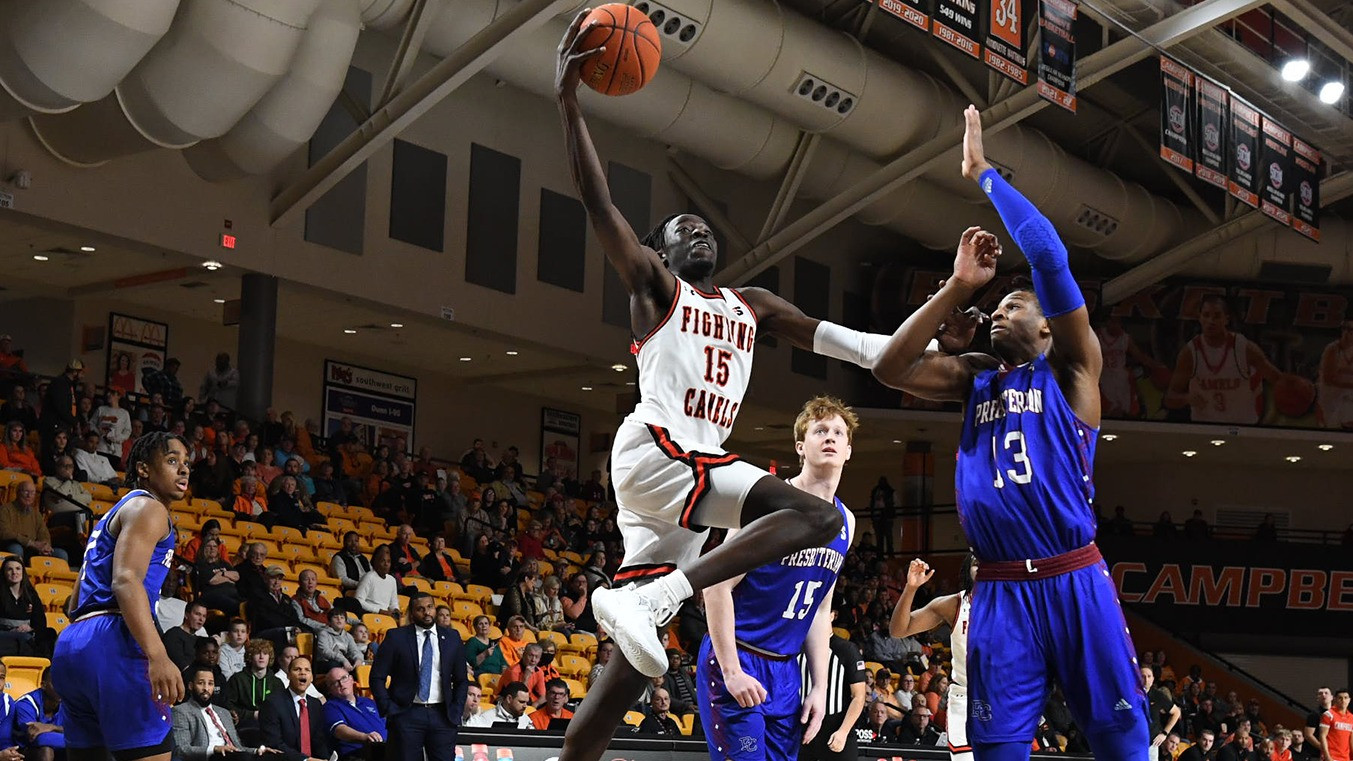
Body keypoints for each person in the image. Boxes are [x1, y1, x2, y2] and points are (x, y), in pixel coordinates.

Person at [552, 15, 932, 755]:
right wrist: (569, 102)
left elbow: (853, 345)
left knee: (632, 662)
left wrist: (927, 324)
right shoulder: (657, 291)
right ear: (661, 252)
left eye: (704, 227)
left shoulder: (751, 305)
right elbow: (600, 207)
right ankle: (665, 593)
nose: (697, 233)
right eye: (681, 228)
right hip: (658, 451)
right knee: (819, 519)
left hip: (685, 487)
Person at [870, 106, 1147, 761]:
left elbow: (1047, 251)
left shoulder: (1074, 365)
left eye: (1010, 304)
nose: (997, 310)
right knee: (995, 752)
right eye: (992, 305)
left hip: (1072, 576)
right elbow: (889, 368)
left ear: (1047, 325)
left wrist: (982, 174)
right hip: (997, 591)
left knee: (1121, 743)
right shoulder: (974, 378)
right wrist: (953, 290)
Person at [697, 396, 858, 761]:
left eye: (837, 432)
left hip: (786, 671)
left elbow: (819, 612)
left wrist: (819, 685)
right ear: (801, 446)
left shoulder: (846, 520)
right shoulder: (770, 506)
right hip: (740, 658)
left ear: (849, 450)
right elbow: (715, 583)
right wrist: (732, 671)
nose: (829, 437)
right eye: (820, 431)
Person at [50, 431, 190, 761]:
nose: (183, 470)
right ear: (143, 468)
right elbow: (126, 581)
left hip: (74, 643)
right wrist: (157, 654)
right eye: (172, 461)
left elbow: (73, 602)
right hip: (114, 639)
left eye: (186, 464)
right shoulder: (151, 508)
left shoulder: (111, 516)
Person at [890, 555, 977, 761]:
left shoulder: (1015, 602)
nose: (981, 565)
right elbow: (899, 629)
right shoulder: (953, 604)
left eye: (987, 560)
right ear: (967, 569)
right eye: (976, 562)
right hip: (966, 697)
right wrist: (911, 588)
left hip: (1004, 697)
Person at [369, 592, 469, 761]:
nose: (426, 612)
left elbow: (461, 680)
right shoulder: (396, 637)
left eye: (430, 607)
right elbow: (377, 677)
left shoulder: (452, 637)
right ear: (412, 613)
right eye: (420, 609)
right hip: (406, 713)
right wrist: (388, 707)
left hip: (442, 715)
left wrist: (457, 709)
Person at [1164, 295, 1292, 425]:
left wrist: (1298, 389)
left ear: (1226, 319)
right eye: (1206, 315)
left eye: (1217, 316)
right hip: (1205, 427)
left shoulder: (1244, 348)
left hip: (1244, 426)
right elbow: (1170, 398)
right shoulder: (1190, 353)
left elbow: (1277, 379)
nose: (1211, 321)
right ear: (1200, 318)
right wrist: (1186, 399)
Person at [798, 609, 868, 761]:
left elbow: (859, 696)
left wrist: (843, 731)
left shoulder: (847, 649)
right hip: (801, 730)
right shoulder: (797, 647)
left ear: (832, 615)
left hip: (835, 729)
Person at [171, 665, 271, 761]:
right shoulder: (181, 711)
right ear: (191, 686)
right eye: (201, 683)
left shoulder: (224, 712)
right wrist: (215, 749)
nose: (206, 688)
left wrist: (257, 751)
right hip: (210, 757)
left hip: (235, 756)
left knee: (275, 757)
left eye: (210, 684)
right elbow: (181, 749)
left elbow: (238, 748)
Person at [258, 656, 329, 761]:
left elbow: (319, 740)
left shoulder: (315, 704)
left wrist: (325, 759)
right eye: (297, 669)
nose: (303, 673)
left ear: (312, 678)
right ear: (289, 675)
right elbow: (274, 744)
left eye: (307, 670)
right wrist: (305, 760)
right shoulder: (272, 703)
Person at [322, 666, 386, 761]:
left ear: (352, 679)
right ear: (330, 690)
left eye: (344, 678)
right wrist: (364, 737)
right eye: (335, 683)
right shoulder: (330, 707)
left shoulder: (368, 702)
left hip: (386, 749)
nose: (341, 684)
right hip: (358, 754)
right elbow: (339, 730)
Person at [0, 555, 54, 657]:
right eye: (10, 569)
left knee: (50, 633)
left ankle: (45, 668)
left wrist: (30, 628)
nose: (14, 572)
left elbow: (40, 622)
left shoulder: (31, 594)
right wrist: (12, 630)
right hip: (5, 635)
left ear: (22, 572)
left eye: (18, 569)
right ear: (4, 573)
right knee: (23, 639)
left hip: (26, 634)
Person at [227, 639, 284, 728]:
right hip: (243, 726)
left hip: (270, 727)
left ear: (270, 657)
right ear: (250, 656)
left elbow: (281, 709)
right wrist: (252, 714)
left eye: (265, 653)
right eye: (257, 653)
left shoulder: (277, 683)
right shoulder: (237, 679)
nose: (261, 657)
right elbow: (228, 706)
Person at [1144, 666, 1183, 761]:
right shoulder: (1130, 694)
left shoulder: (1158, 695)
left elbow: (1176, 712)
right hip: (1133, 741)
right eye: (1142, 676)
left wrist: (1165, 733)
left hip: (1151, 744)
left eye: (1149, 676)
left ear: (1153, 679)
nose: (1146, 679)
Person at [465, 682, 532, 729]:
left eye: (526, 702)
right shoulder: (487, 718)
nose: (525, 706)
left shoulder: (525, 719)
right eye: (521, 702)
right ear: (509, 699)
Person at [1319, 689, 1352, 761]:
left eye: (1346, 698)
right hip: (1331, 757)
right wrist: (1327, 756)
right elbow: (1322, 736)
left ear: (1349, 700)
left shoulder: (1351, 717)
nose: (1343, 700)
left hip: (1346, 758)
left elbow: (1351, 739)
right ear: (1335, 699)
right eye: (1340, 698)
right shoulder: (1328, 715)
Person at [1307, 688, 1335, 760]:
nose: (1323, 695)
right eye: (1320, 693)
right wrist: (1324, 748)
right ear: (1317, 698)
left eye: (1326, 693)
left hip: (1336, 753)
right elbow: (1308, 735)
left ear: (1332, 697)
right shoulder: (1314, 714)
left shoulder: (1337, 714)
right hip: (1318, 754)